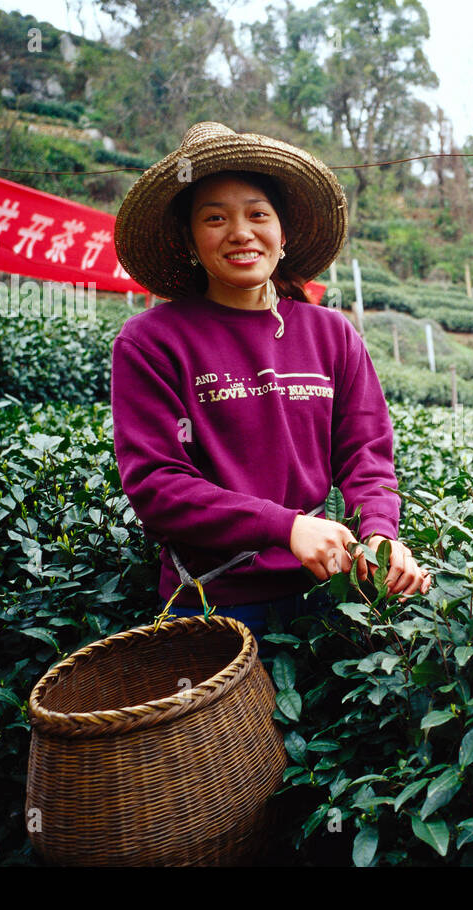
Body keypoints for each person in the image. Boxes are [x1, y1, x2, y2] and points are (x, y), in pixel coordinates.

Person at [110, 122, 430, 643]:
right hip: (214, 609)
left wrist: (379, 539)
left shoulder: (332, 334)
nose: (240, 232)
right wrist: (286, 527)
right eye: (214, 218)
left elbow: (367, 457)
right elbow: (157, 485)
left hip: (323, 597)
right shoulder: (152, 341)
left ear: (284, 233)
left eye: (258, 214)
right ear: (190, 239)